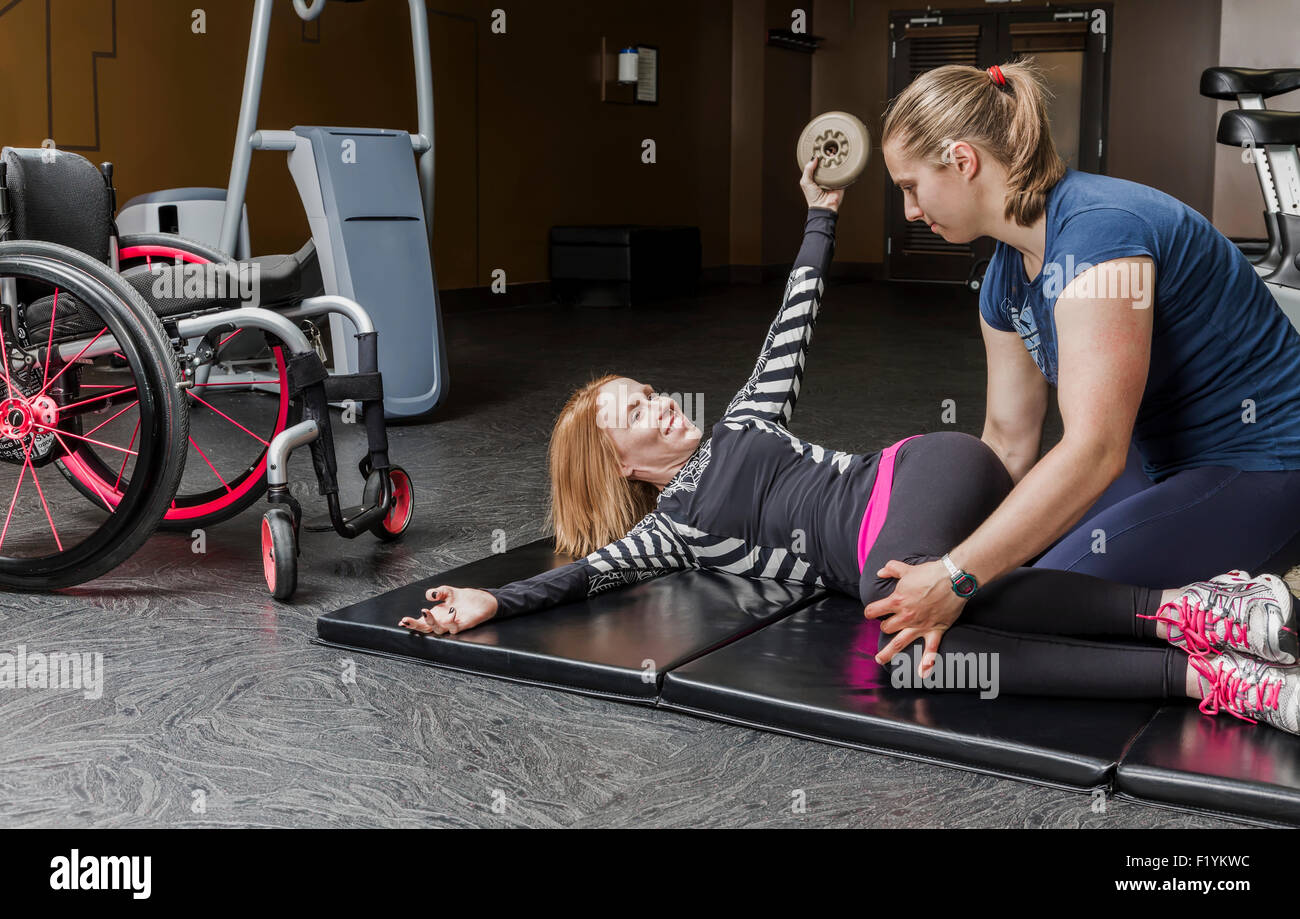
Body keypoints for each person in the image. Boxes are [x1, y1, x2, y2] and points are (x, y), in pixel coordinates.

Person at [399, 152, 1300, 735]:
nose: (664, 407)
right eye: (637, 415)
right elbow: (585, 576)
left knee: (902, 618)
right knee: (964, 628)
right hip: (913, 540)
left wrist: (821, 213)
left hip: (920, 474)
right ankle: (1208, 627)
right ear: (622, 466)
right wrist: (489, 602)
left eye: (650, 391)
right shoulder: (669, 533)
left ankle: (1210, 672)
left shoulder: (746, 417)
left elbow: (796, 311)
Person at [871, 57, 1300, 673]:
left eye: (911, 186)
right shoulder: (1004, 274)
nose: (910, 211)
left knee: (1018, 607)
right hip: (1161, 464)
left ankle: (1244, 639)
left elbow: (1095, 449)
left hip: (1264, 464)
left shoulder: (1101, 236)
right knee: (1002, 584)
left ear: (963, 161)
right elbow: (1008, 443)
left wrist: (956, 578)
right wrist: (946, 555)